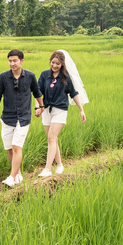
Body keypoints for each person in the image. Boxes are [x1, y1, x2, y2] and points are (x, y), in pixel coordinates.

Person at [0, 49, 43, 187]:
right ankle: (18, 174)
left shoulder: (30, 76)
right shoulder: (3, 77)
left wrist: (40, 107)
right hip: (7, 117)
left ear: (21, 61)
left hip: (24, 117)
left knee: (16, 146)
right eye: (10, 61)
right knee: (9, 148)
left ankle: (11, 177)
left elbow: (37, 93)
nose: (12, 63)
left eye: (14, 60)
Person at [36, 49, 87, 178]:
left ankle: (47, 169)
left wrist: (81, 110)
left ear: (62, 64)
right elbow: (38, 93)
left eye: (57, 64)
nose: (54, 65)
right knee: (52, 139)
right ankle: (59, 165)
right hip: (46, 110)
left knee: (51, 138)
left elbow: (73, 93)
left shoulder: (65, 77)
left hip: (60, 110)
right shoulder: (44, 75)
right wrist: (38, 107)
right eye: (53, 62)